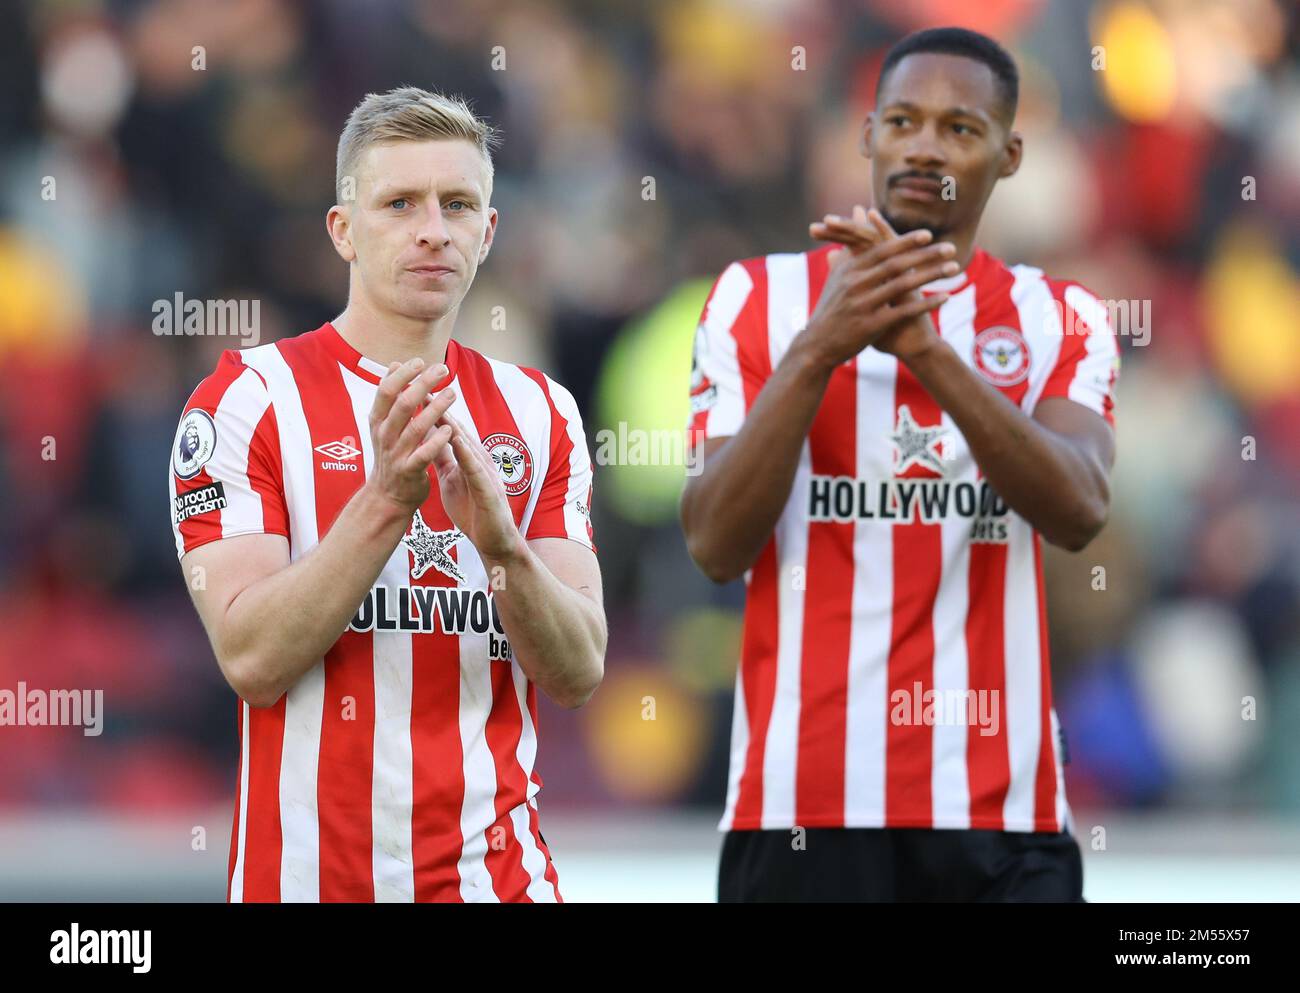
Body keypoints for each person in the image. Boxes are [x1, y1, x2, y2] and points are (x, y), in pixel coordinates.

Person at [681, 27, 1119, 902]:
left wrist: (927, 351)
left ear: (1011, 153)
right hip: (802, 812)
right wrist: (818, 351)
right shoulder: (756, 300)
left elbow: (1078, 510)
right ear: (867, 134)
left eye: (961, 128)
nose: (925, 145)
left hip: (1000, 820)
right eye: (905, 121)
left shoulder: (1056, 316)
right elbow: (716, 544)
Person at [169, 87, 605, 903]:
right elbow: (252, 659)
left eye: (458, 204)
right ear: (344, 230)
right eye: (399, 203)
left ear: (488, 231)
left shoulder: (542, 412)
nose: (432, 228)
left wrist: (502, 547)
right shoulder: (246, 399)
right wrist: (384, 502)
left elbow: (579, 670)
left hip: (497, 885)